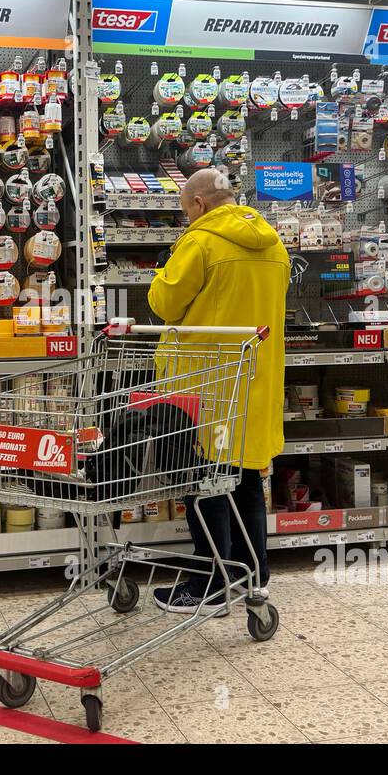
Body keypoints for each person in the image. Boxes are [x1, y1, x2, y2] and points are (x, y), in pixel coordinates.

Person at [146, 167, 289, 614]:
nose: (186, 216)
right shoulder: (274, 242)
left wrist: (162, 271)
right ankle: (253, 575)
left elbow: (164, 302)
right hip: (255, 382)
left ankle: (210, 583)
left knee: (205, 483)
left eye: (185, 208)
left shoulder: (201, 241)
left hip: (206, 384)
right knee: (246, 478)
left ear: (199, 204)